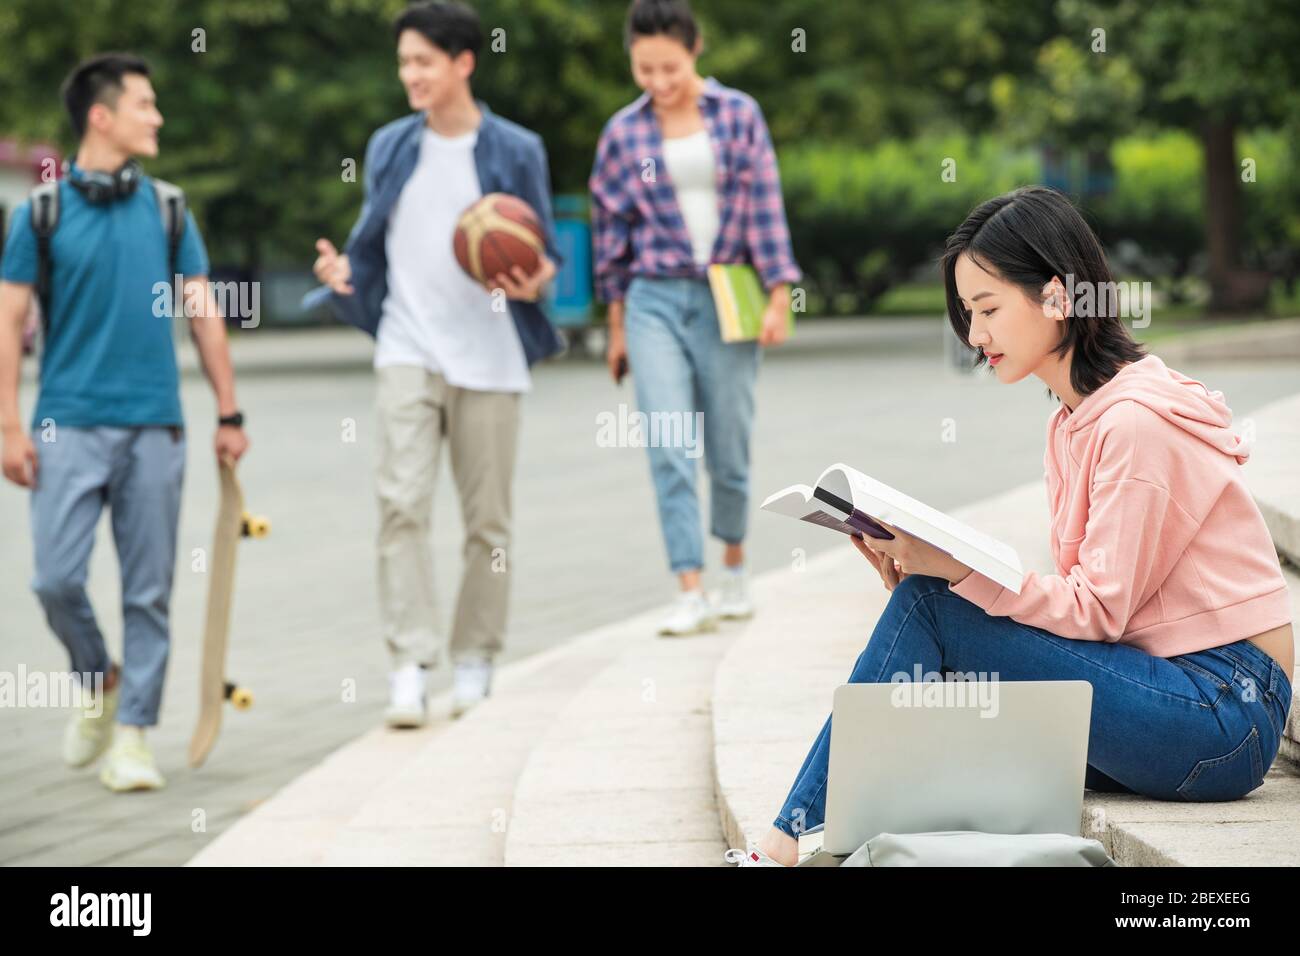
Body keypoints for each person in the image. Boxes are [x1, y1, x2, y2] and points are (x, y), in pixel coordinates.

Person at [728, 186, 1295, 866]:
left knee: (936, 611)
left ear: (1058, 297)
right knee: (942, 651)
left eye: (989, 309)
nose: (975, 336)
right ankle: (825, 838)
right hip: (1171, 690)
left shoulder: (1134, 423)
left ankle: (783, 844)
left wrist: (959, 578)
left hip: (1225, 713)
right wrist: (943, 579)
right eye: (968, 314)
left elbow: (1100, 612)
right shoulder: (1073, 420)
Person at [307, 1, 563, 726]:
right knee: (400, 506)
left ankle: (476, 657)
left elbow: (547, 259)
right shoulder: (390, 144)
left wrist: (534, 280)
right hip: (407, 347)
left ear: (463, 62)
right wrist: (341, 276)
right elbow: (370, 247)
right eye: (404, 63)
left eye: (423, 61)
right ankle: (409, 665)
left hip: (491, 355)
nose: (410, 75)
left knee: (488, 523)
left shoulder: (517, 149)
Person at [0, 53, 249, 792]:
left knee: (149, 589)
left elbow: (205, 315)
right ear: (101, 116)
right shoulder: (38, 213)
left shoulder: (170, 209)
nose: (159, 116)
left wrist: (229, 412)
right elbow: (10, 319)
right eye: (146, 103)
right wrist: (8, 425)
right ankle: (99, 679)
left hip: (155, 427)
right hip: (65, 425)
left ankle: (134, 737)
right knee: (53, 579)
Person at [590, 0, 801, 637]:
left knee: (728, 445)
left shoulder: (738, 115)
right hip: (653, 298)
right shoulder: (622, 134)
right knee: (668, 443)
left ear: (696, 50)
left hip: (727, 293)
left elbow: (766, 205)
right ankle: (688, 586)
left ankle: (734, 566)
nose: (657, 81)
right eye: (644, 68)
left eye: (670, 68)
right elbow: (611, 240)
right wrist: (618, 328)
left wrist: (777, 294)